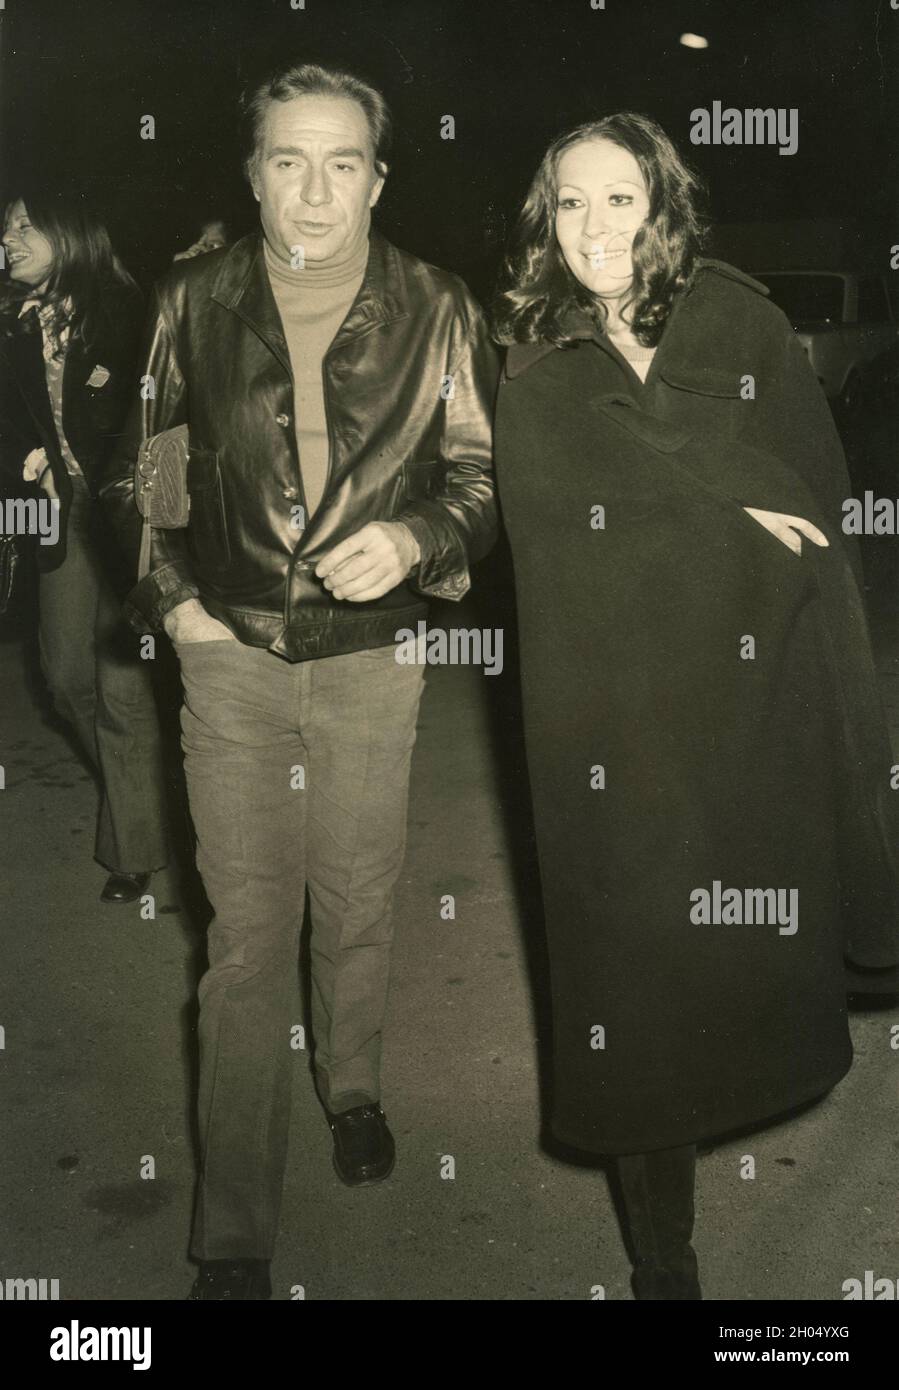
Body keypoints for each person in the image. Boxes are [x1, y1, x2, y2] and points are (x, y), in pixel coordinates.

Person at [101, 61, 498, 1300]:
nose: (314, 190)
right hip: (234, 662)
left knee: (360, 893)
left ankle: (356, 1082)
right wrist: (176, 608)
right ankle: (232, 1229)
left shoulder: (437, 305)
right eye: (287, 160)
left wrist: (418, 541)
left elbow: (480, 484)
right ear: (253, 174)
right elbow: (143, 482)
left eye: (341, 163)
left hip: (375, 658)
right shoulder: (189, 301)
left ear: (379, 179)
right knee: (245, 937)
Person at [492, 112, 899, 1300]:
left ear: (664, 203)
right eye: (568, 202)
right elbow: (548, 532)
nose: (594, 227)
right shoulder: (528, 347)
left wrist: (746, 519)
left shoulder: (741, 320)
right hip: (605, 725)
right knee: (627, 989)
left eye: (619, 198)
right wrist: (719, 508)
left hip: (744, 705)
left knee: (742, 953)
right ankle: (658, 1252)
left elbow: (814, 511)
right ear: (544, 219)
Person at [0, 188, 169, 903]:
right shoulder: (13, 322)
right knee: (66, 675)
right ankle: (152, 797)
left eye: (23, 227)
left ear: (68, 236)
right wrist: (25, 461)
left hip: (126, 515)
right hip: (62, 513)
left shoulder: (128, 312)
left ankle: (134, 844)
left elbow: (164, 419)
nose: (7, 239)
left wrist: (162, 527)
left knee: (122, 690)